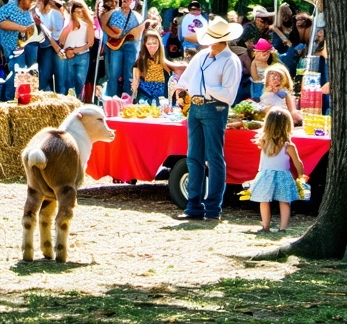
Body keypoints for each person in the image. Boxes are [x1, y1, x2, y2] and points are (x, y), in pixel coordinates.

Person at [173, 15, 243, 223]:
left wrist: (204, 89)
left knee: (214, 158)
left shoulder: (231, 61)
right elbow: (184, 80)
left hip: (215, 108)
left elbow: (229, 95)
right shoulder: (201, 56)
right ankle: (193, 206)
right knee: (193, 157)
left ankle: (213, 209)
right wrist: (181, 92)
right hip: (196, 108)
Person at [244, 107, 306, 233]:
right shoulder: (288, 146)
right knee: (284, 202)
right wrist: (301, 176)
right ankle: (282, 228)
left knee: (264, 200)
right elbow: (298, 163)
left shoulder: (263, 142)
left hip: (265, 175)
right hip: (283, 176)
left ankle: (265, 226)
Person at [0, 0, 38, 101]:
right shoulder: (10, 6)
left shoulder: (29, 11)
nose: (32, 1)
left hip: (29, 45)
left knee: (27, 73)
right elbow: (0, 22)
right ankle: (8, 99)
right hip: (14, 46)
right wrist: (20, 28)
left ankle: (21, 98)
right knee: (17, 71)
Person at [131, 30, 184, 106]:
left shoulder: (164, 62)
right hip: (145, 94)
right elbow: (135, 81)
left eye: (155, 43)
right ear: (145, 45)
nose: (152, 46)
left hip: (160, 96)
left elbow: (179, 69)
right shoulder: (140, 62)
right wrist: (134, 92)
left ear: (159, 44)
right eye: (149, 44)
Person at [59, 0, 95, 98]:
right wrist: (69, 26)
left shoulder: (88, 23)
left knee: (80, 81)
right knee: (68, 82)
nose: (79, 14)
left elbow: (90, 43)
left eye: (81, 11)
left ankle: (79, 102)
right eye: (76, 11)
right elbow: (61, 40)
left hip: (82, 54)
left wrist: (75, 51)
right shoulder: (66, 22)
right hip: (67, 54)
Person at [35, 0, 67, 94]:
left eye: (40, 1)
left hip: (56, 44)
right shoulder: (38, 13)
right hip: (44, 46)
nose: (38, 3)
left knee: (60, 75)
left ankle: (62, 97)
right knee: (44, 73)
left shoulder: (54, 13)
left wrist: (44, 28)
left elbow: (58, 29)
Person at [96, 0, 126, 98]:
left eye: (105, 2)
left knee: (113, 74)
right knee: (109, 75)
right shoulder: (103, 13)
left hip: (116, 46)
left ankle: (113, 98)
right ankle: (110, 97)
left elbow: (118, 33)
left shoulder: (117, 13)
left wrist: (104, 23)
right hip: (108, 46)